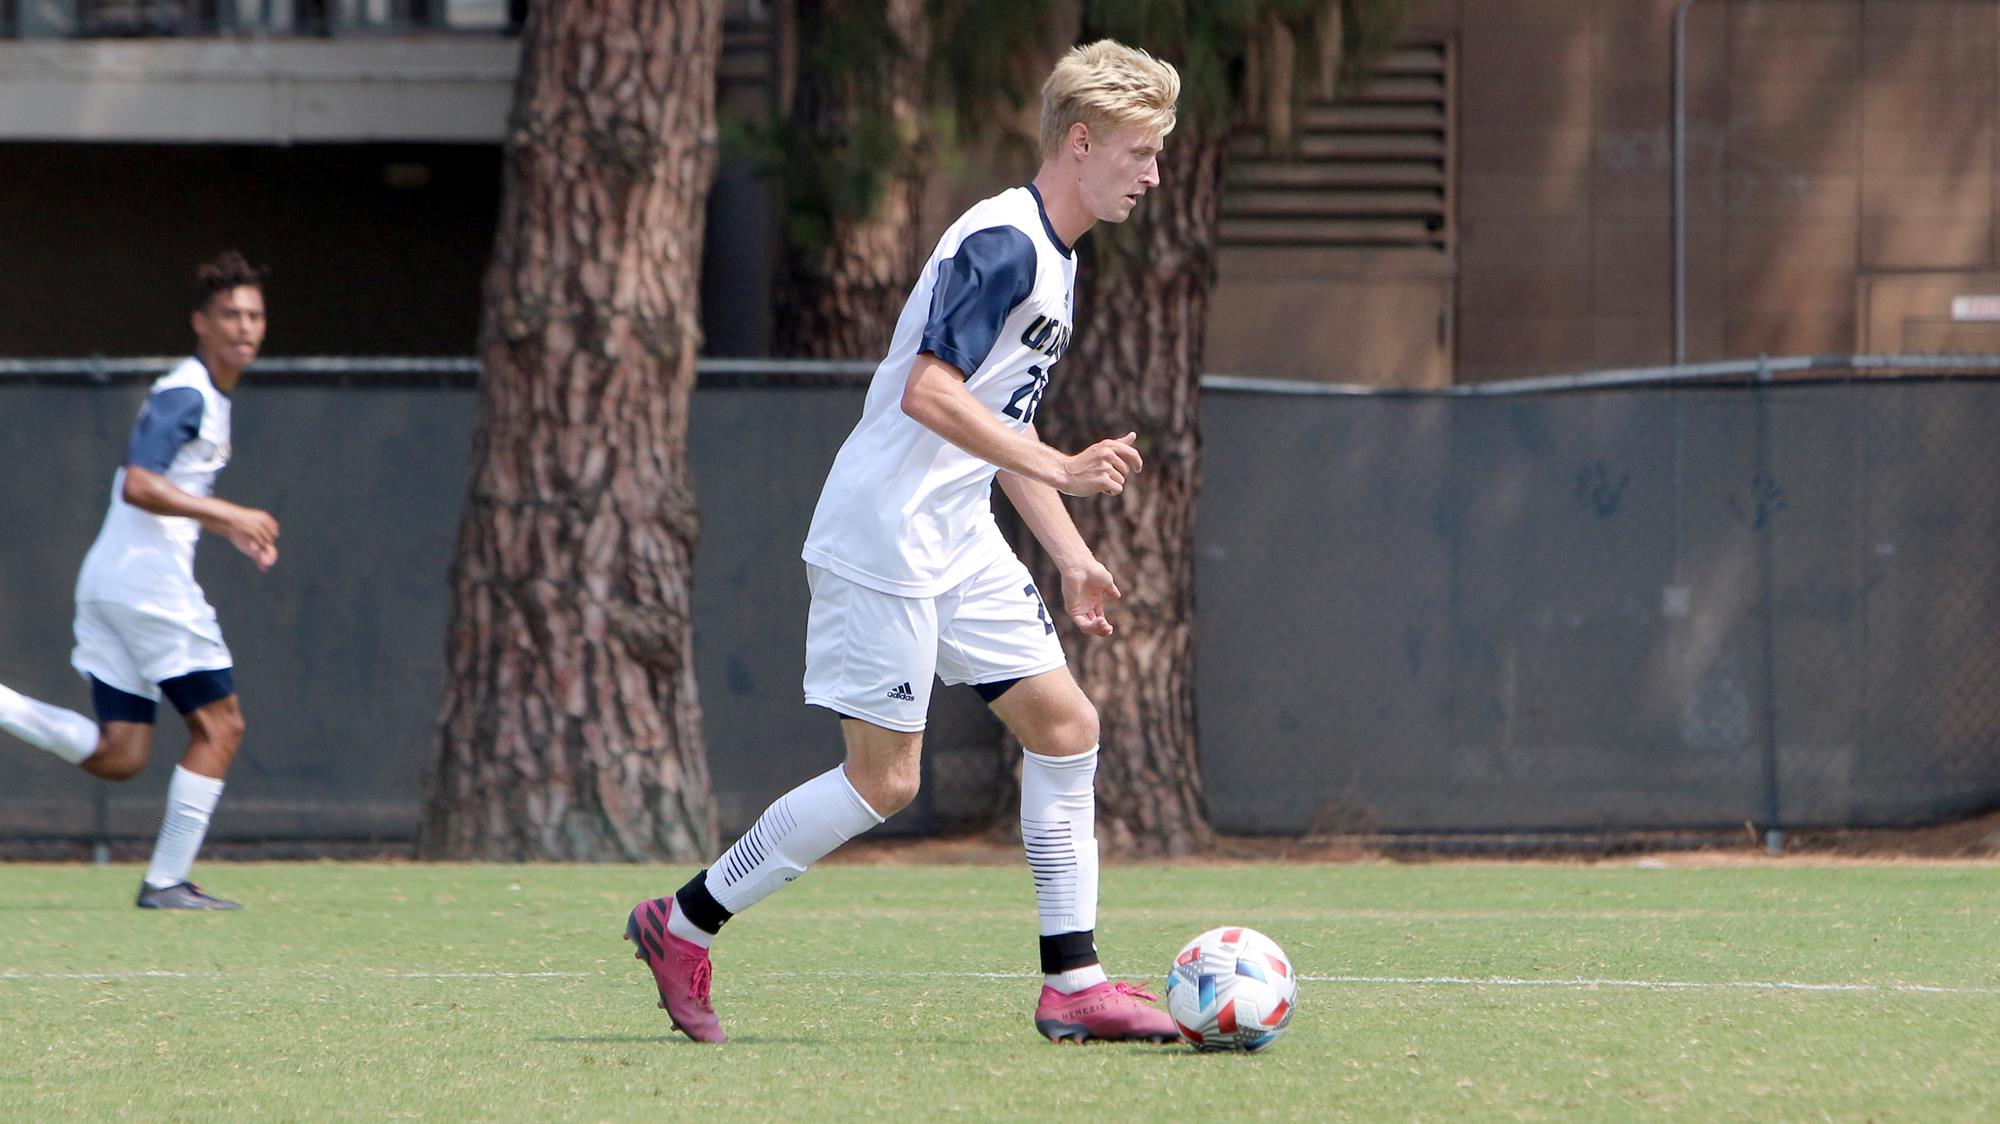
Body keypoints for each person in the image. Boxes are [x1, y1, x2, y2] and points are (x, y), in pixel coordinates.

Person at [625, 40, 1181, 1044]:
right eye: (1139, 152)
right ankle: (684, 920)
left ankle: (1073, 982)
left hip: (955, 532)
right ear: (1080, 141)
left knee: (1066, 727)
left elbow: (996, 426)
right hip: (884, 532)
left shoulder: (1057, 257)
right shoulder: (1003, 242)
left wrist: (1068, 553)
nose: (1152, 175)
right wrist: (1060, 465)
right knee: (885, 780)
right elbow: (930, 393)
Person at [0, 250, 280, 910]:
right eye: (229, 315)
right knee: (222, 728)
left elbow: (166, 490)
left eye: (254, 315)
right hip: (148, 586)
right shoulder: (188, 391)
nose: (244, 326)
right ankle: (165, 882)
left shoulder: (206, 395)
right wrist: (229, 513)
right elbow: (139, 484)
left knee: (120, 754)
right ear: (201, 324)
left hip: (112, 582)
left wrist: (222, 526)